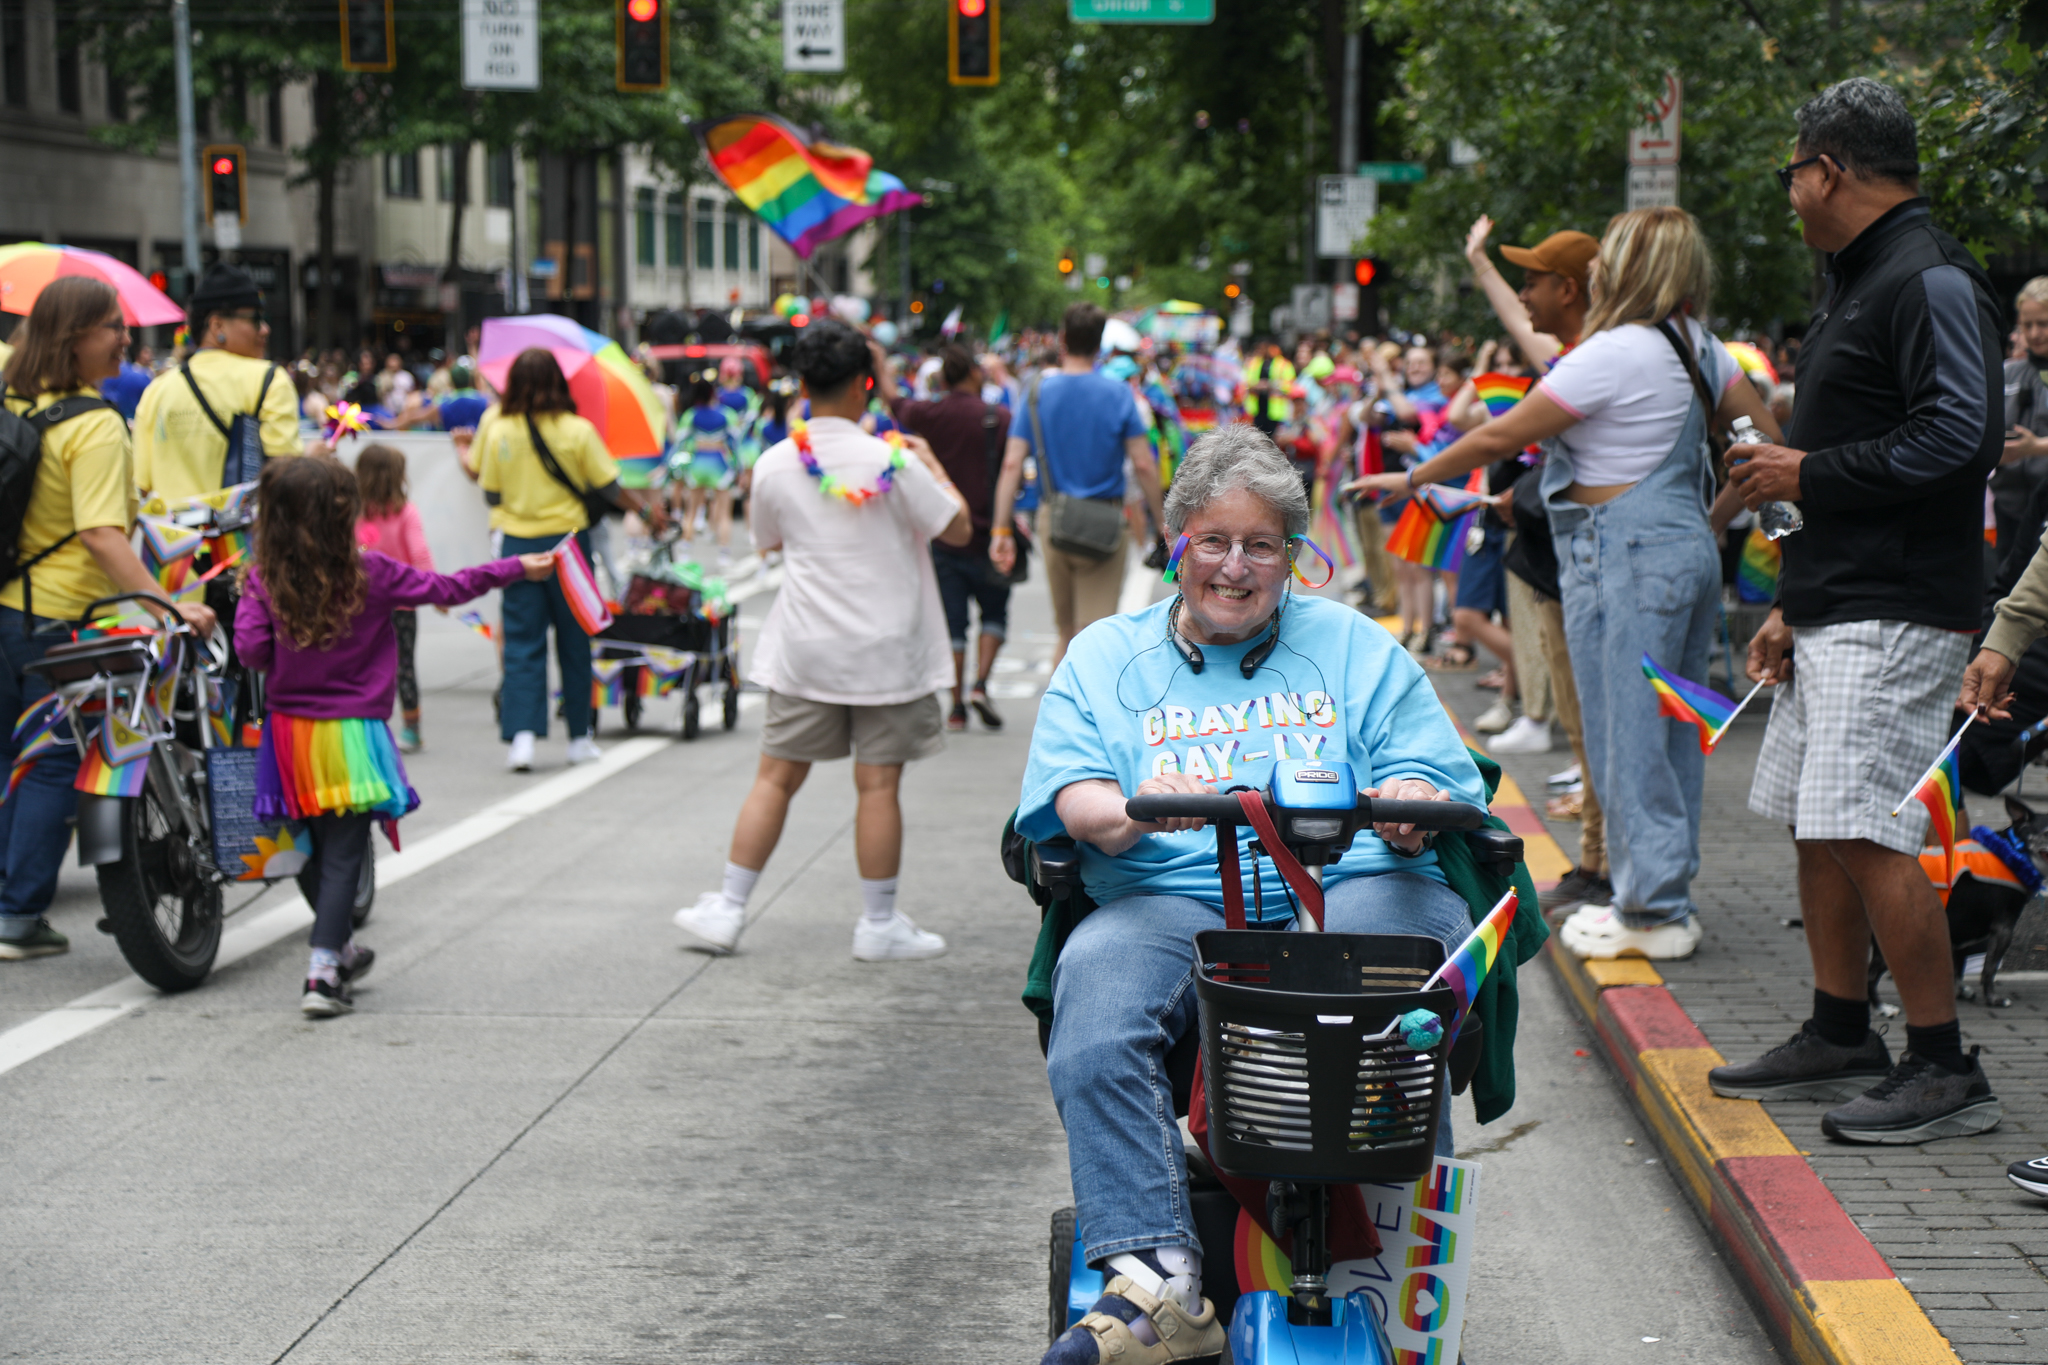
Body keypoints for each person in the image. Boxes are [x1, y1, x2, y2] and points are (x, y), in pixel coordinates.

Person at [1022, 426, 1489, 1365]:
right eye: (1214, 541)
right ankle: (1158, 1282)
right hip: (1174, 897)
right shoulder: (1103, 657)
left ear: (1293, 554)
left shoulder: (1353, 644)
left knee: (1387, 984)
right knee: (1100, 998)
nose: (1235, 567)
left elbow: (1441, 785)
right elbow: (1071, 798)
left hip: (1356, 880)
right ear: (1174, 542)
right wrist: (1128, 814)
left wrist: (1407, 805)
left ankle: (1397, 1263)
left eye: (1262, 544)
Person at [1360, 207, 1777, 960]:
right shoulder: (1698, 346)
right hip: (1679, 551)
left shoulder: (1615, 351)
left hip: (1622, 559)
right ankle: (1662, 895)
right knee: (1675, 733)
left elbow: (1500, 435)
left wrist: (1413, 475)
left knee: (1627, 737)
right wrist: (1704, 520)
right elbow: (1766, 444)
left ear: (1623, 269)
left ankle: (1650, 910)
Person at [1722, 78, 2006, 1144]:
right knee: (1814, 820)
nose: (1789, 192)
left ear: (1826, 170)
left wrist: (1803, 469)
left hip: (1895, 609)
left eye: (1792, 171)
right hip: (1838, 602)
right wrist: (1793, 602)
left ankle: (1943, 1066)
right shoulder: (1860, 275)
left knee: (1865, 827)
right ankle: (1841, 1028)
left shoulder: (1924, 275)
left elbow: (1957, 440)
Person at [671, 319, 971, 961]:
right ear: (865, 384)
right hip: (889, 651)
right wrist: (931, 464)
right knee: (879, 786)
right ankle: (878, 924)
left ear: (802, 385)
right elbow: (959, 530)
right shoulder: (894, 461)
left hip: (808, 647)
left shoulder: (778, 463)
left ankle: (726, 909)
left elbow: (768, 542)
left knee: (775, 778)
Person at [237, 457, 554, 1014]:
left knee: (308, 847)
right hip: (353, 737)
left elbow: (252, 653)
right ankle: (321, 973)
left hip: (290, 738)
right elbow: (448, 588)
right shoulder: (371, 573)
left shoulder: (263, 579)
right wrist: (515, 569)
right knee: (343, 853)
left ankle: (338, 950)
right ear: (343, 515)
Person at [0, 277, 217, 961]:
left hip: (6, 609)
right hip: (62, 620)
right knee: (55, 759)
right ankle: (17, 912)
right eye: (112, 327)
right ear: (74, 339)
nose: (127, 338)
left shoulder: (11, 400)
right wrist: (164, 601)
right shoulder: (91, 425)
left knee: (8, 755)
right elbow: (101, 535)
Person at [473, 347, 664, 771]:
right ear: (559, 383)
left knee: (523, 642)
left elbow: (489, 492)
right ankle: (579, 736)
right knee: (575, 637)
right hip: (568, 547)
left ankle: (521, 738)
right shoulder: (578, 430)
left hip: (517, 548)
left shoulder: (497, 427)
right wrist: (650, 514)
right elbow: (610, 488)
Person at [989, 303, 1166, 665]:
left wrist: (1000, 529)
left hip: (1053, 518)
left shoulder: (1037, 393)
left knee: (1066, 634)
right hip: (1104, 522)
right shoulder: (1117, 394)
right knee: (1094, 638)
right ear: (1099, 342)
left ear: (1063, 339)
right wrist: (1163, 521)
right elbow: (1144, 465)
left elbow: (1011, 464)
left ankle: (1058, 717)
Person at [880, 343, 1012, 731]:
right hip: (991, 531)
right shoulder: (998, 416)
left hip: (944, 531)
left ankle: (955, 704)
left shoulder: (930, 414)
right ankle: (981, 684)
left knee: (953, 623)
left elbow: (895, 403)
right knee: (995, 614)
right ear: (972, 374)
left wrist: (878, 364)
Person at [131, 263, 301, 501]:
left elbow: (142, 486)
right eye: (255, 319)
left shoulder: (156, 390)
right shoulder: (270, 379)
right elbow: (286, 476)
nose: (265, 329)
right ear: (217, 325)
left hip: (173, 537)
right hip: (242, 537)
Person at [354, 444, 435, 753]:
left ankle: (366, 724)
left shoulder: (354, 514)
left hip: (362, 606)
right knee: (404, 666)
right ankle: (412, 728)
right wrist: (433, 588)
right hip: (401, 605)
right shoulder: (405, 512)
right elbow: (420, 554)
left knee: (362, 665)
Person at [1992, 276, 2048, 551]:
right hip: (2008, 509)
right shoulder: (2006, 373)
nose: (2035, 333)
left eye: (2043, 324)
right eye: (2027, 325)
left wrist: (2034, 447)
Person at [676, 375, 739, 565]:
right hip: (719, 464)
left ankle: (685, 551)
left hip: (697, 463)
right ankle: (724, 554)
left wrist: (675, 467)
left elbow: (679, 442)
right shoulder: (726, 414)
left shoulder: (691, 415)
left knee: (691, 511)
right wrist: (738, 467)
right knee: (724, 513)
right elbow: (735, 443)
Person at [1244, 337, 1296, 438]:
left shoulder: (1284, 364)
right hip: (1257, 411)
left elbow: (1290, 385)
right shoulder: (1254, 363)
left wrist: (1271, 385)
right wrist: (1258, 385)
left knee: (1275, 442)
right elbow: (1246, 382)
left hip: (1276, 412)